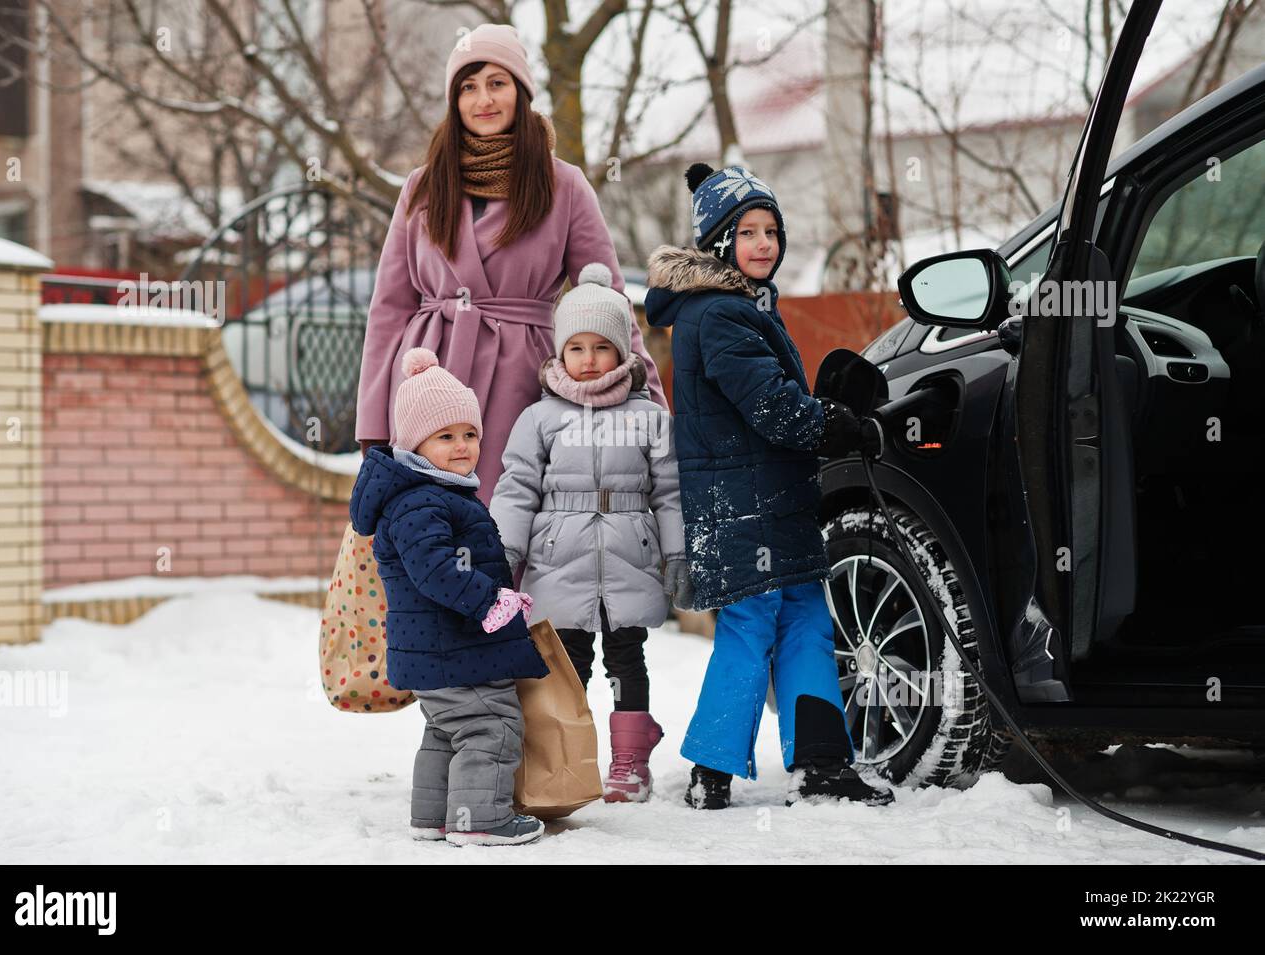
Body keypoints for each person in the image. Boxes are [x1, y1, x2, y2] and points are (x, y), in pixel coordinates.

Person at [643, 163, 894, 810]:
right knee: (751, 625)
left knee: (809, 619)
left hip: (776, 500)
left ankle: (820, 760)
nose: (765, 243)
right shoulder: (718, 315)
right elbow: (770, 405)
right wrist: (833, 424)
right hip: (737, 508)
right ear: (718, 242)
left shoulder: (748, 307)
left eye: (772, 231)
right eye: (747, 231)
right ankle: (711, 764)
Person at [354, 22, 666, 506]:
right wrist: (374, 422)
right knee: (423, 535)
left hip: (519, 382)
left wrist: (650, 407)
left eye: (497, 84)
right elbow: (389, 308)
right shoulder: (421, 186)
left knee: (507, 529)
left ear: (521, 93)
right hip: (425, 383)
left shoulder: (563, 185)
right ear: (454, 101)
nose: (483, 100)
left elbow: (608, 304)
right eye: (468, 87)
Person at [491, 262, 691, 802]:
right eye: (575, 348)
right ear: (559, 353)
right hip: (560, 559)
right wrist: (504, 552)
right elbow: (516, 488)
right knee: (568, 665)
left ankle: (630, 761)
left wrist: (677, 556)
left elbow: (669, 492)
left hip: (630, 554)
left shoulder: (647, 416)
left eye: (600, 347)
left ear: (622, 351)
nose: (588, 360)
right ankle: (567, 759)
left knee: (627, 660)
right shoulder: (540, 417)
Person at [349, 346, 550, 846]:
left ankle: (433, 817)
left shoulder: (431, 494)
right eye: (445, 437)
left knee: (446, 731)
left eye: (469, 434)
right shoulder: (423, 501)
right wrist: (490, 601)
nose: (462, 446)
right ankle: (479, 820)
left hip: (435, 650)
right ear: (415, 444)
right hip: (456, 646)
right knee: (491, 727)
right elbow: (435, 569)